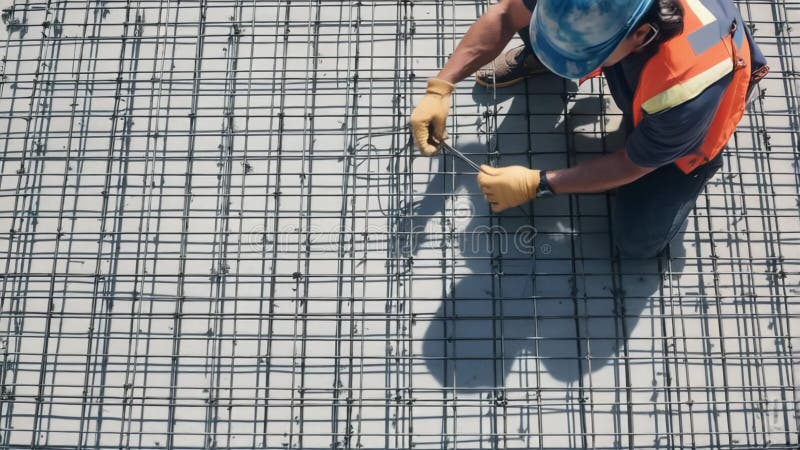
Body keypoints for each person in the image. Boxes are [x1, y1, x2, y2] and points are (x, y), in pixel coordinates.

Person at [409, 0, 768, 258]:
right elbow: (507, 13)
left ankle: (691, 176)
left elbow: (633, 163)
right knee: (545, 18)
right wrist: (441, 86)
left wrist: (540, 183)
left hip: (686, 128)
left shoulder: (687, 88)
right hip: (627, 54)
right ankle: (556, 52)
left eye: (577, 53)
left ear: (640, 34)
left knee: (637, 243)